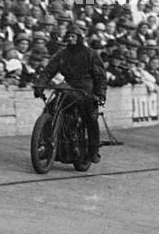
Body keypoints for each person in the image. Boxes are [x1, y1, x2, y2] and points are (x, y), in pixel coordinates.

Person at [36, 24, 107, 162]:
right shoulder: (62, 55)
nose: (70, 39)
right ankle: (45, 146)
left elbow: (100, 76)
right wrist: (40, 86)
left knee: (91, 117)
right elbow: (48, 71)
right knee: (49, 111)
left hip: (86, 90)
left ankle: (93, 150)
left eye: (73, 36)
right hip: (68, 89)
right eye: (68, 36)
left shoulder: (90, 54)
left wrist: (100, 94)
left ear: (79, 38)